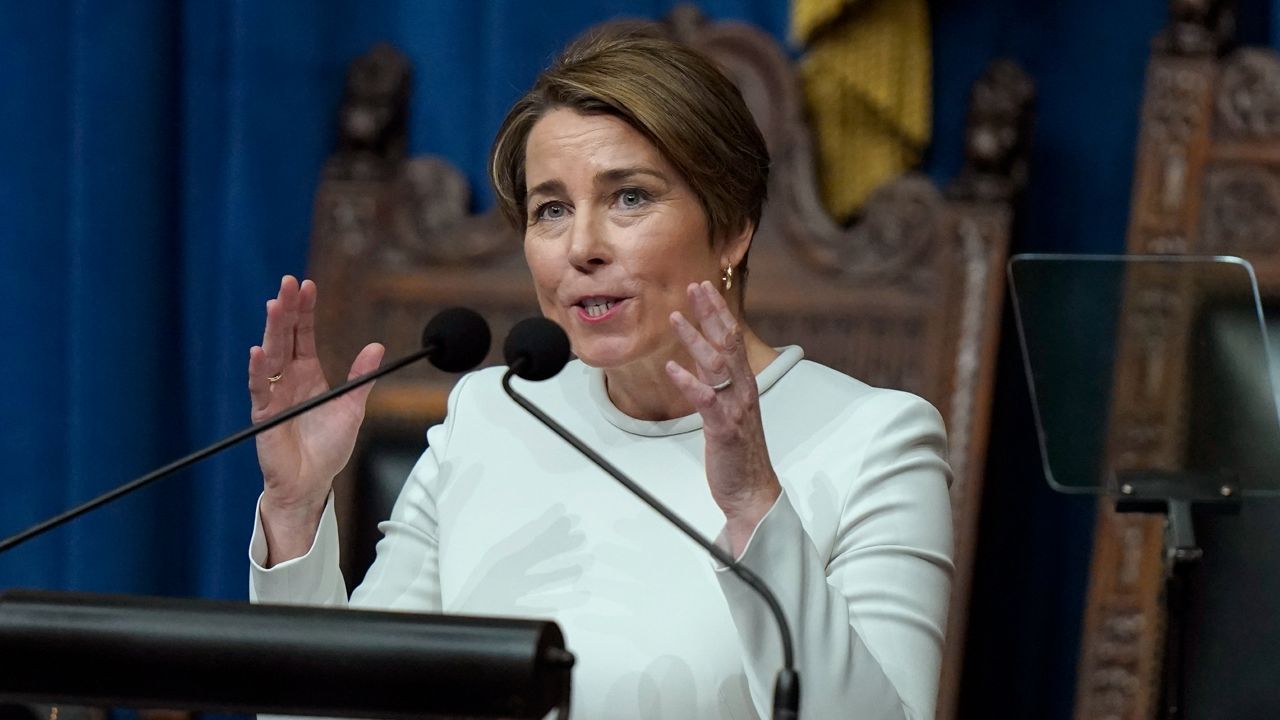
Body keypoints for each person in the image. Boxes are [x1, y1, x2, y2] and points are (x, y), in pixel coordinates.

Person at [247, 26, 953, 720]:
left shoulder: (875, 443)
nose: (582, 247)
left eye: (630, 198)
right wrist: (297, 509)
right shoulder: (490, 416)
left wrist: (754, 504)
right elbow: (345, 709)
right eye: (551, 209)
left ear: (733, 225)